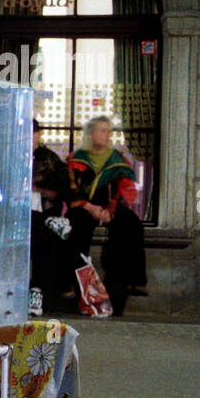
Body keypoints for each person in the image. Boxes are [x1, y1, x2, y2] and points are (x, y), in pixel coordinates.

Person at [66, 115, 147, 316]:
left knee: (131, 225)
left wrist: (111, 209)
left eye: (109, 131)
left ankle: (125, 285)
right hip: (85, 207)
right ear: (91, 134)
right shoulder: (76, 159)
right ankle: (76, 288)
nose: (107, 134)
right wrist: (89, 207)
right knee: (75, 227)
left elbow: (127, 189)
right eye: (102, 130)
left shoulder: (118, 160)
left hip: (111, 208)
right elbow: (71, 189)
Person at [29, 120, 74, 315]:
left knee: (45, 239)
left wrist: (39, 190)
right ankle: (49, 222)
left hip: (44, 207)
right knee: (42, 228)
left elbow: (62, 188)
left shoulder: (49, 159)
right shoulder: (11, 156)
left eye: (32, 134)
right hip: (23, 212)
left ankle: (37, 289)